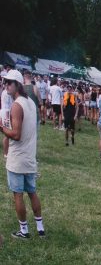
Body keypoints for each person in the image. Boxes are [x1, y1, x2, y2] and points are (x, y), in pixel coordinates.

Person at [1, 70, 45, 239]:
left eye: (9, 83)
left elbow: (16, 134)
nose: (6, 86)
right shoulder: (31, 104)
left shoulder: (16, 105)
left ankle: (24, 231)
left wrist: (2, 128)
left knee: (18, 194)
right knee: (32, 192)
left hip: (18, 158)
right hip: (29, 156)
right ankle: (40, 228)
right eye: (5, 82)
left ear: (17, 85)